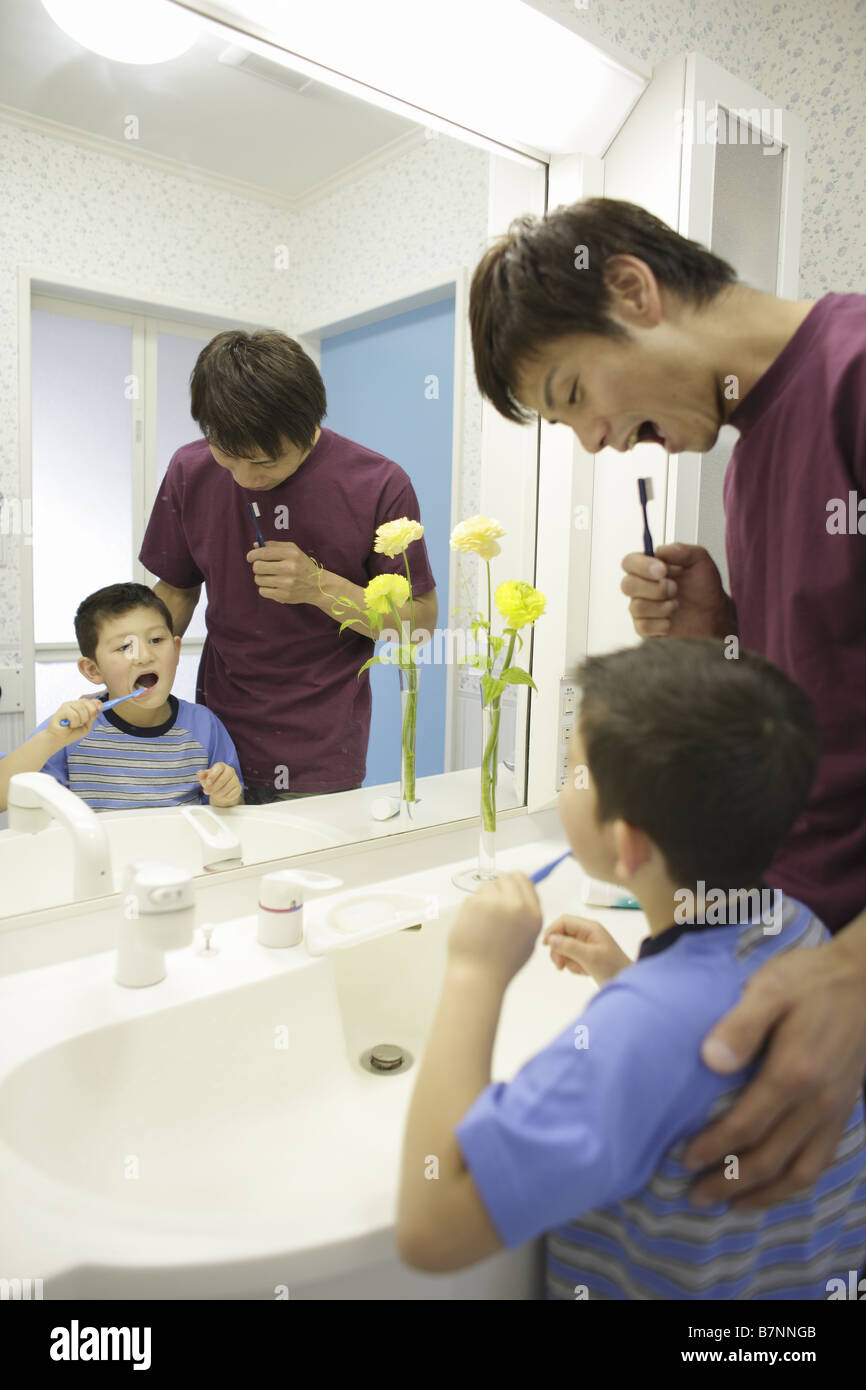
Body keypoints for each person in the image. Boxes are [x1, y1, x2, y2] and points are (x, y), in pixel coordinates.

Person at [466, 195, 866, 1218]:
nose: (595, 442)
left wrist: (855, 974)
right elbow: (812, 706)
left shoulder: (853, 379)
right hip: (788, 962)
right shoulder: (743, 464)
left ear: (631, 288)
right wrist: (715, 634)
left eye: (571, 394)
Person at [396, 638, 866, 1298]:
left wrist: (475, 971)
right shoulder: (801, 930)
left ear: (627, 844)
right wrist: (626, 977)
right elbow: (703, 1060)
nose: (564, 784)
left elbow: (431, 1228)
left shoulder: (638, 1033)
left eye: (572, 772)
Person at [139, 329, 438, 803]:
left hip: (320, 750)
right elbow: (175, 590)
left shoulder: (379, 484)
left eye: (263, 462)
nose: (244, 479)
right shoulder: (189, 469)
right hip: (212, 738)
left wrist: (319, 586)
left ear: (308, 428)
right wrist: (133, 662)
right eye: (227, 456)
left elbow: (417, 626)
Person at [0, 583, 242, 813]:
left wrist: (226, 796)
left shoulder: (204, 726)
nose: (144, 656)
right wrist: (50, 740)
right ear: (93, 670)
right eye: (125, 647)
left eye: (156, 640)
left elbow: (231, 810)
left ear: (176, 650)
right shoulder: (70, 733)